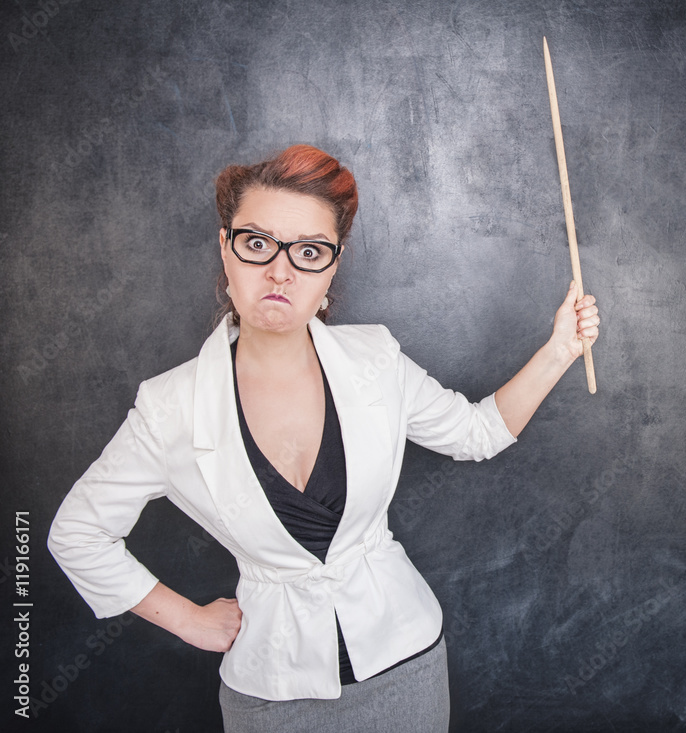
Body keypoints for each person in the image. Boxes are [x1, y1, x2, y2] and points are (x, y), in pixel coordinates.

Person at [47, 144, 600, 732]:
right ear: (225, 249)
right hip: (271, 693)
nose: (280, 272)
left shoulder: (376, 358)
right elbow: (78, 532)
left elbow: (478, 432)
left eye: (309, 252)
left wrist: (561, 349)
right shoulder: (168, 405)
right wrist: (187, 619)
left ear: (332, 267)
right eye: (257, 244)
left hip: (403, 667)